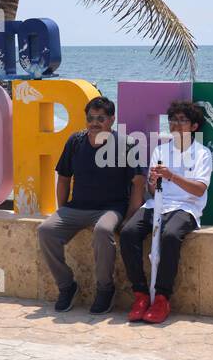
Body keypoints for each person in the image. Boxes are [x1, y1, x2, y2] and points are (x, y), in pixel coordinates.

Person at [38, 97, 145, 314]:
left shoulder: (127, 144)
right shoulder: (75, 142)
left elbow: (138, 184)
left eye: (101, 118)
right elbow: (64, 178)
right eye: (90, 118)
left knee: (103, 230)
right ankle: (67, 286)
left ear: (112, 120)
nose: (94, 123)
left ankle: (105, 289)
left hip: (110, 209)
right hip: (76, 207)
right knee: (45, 230)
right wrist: (62, 209)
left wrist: (129, 218)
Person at [119, 100, 211, 325]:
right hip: (157, 205)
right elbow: (153, 189)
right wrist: (153, 182)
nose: (177, 124)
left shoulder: (201, 153)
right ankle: (141, 294)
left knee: (170, 236)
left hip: (185, 207)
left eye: (183, 120)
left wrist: (171, 176)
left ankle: (162, 297)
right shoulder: (161, 150)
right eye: (173, 120)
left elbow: (199, 189)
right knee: (128, 232)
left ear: (194, 126)